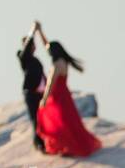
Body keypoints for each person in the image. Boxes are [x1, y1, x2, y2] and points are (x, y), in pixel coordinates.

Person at [32, 23, 101, 157]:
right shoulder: (63, 61)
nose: (48, 52)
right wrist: (40, 31)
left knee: (59, 121)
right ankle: (71, 146)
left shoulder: (56, 65)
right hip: (65, 95)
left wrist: (44, 99)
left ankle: (68, 147)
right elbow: (47, 46)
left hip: (57, 96)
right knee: (70, 121)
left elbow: (50, 83)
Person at [17, 21, 45, 152]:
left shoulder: (35, 60)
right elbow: (27, 46)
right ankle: (39, 143)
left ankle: (43, 141)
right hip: (30, 93)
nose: (33, 46)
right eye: (31, 44)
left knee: (42, 117)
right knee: (36, 118)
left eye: (33, 45)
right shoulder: (23, 57)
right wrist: (33, 31)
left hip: (39, 93)